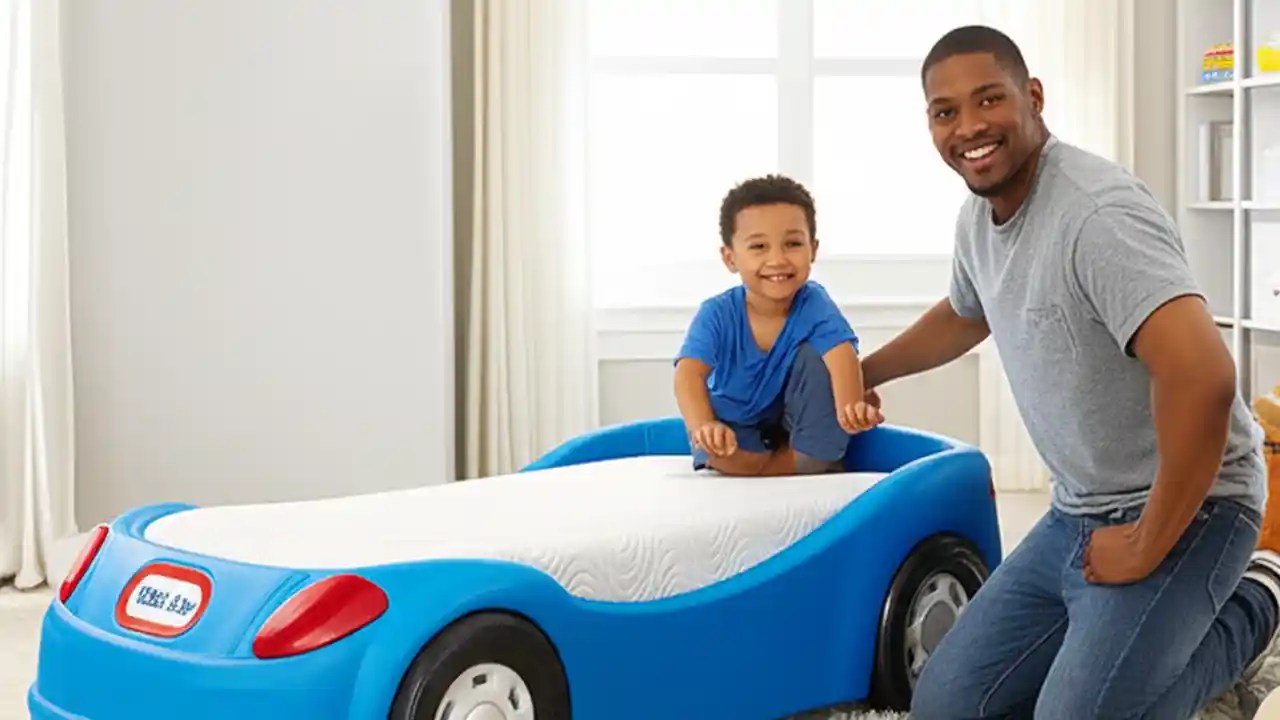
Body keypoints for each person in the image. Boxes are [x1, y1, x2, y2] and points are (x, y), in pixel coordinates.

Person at [856, 24, 1280, 719]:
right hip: (1077, 510)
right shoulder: (978, 216)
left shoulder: (1096, 216)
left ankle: (1253, 604)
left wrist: (1148, 542)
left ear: (1033, 97)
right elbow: (969, 311)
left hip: (1197, 503)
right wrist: (872, 368)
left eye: (988, 100)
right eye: (945, 111)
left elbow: (1203, 378)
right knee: (948, 707)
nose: (968, 127)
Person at [672, 175, 883, 476]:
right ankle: (775, 464)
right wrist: (703, 426)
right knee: (717, 449)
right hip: (735, 427)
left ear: (813, 249)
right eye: (759, 246)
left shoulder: (814, 303)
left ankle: (802, 458)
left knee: (818, 357)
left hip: (791, 421)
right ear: (730, 258)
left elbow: (841, 355)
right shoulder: (716, 313)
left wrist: (850, 406)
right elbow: (688, 374)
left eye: (793, 244)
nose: (777, 259)